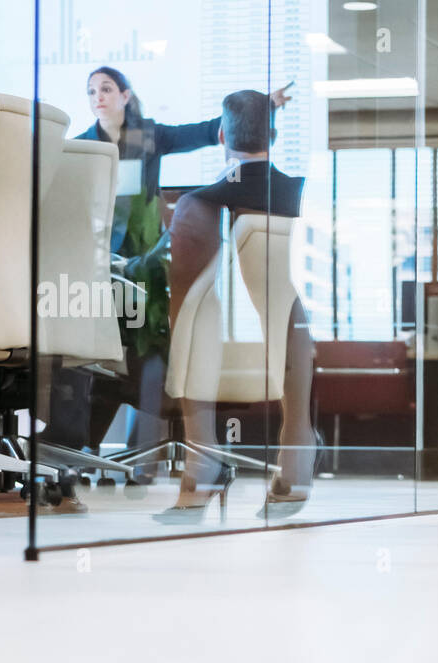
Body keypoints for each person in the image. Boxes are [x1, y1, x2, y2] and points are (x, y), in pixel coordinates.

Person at [38, 67, 293, 491]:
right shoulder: (81, 147)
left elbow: (210, 131)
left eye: (106, 89)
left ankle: (139, 461)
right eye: (91, 91)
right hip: (95, 266)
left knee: (140, 357)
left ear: (125, 95)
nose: (98, 97)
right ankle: (78, 454)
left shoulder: (148, 136)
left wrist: (262, 107)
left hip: (145, 270)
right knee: (93, 357)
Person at [154, 89, 312, 523]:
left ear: (222, 135)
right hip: (269, 342)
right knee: (280, 296)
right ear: (273, 137)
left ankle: (202, 461)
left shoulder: (196, 204)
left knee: (190, 309)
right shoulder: (285, 191)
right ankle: (298, 442)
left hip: (200, 217)